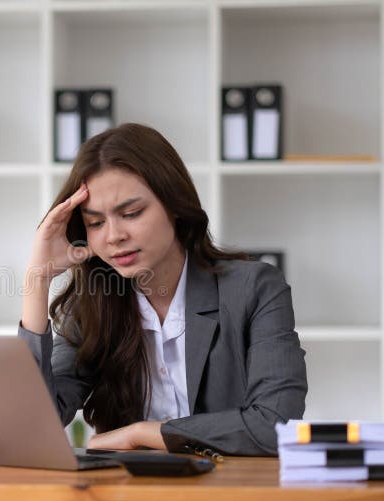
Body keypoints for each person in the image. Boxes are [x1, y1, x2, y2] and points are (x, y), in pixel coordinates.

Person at [18, 123, 307, 456]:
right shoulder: (90, 308)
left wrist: (145, 433)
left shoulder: (254, 289)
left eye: (131, 213)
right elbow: (33, 424)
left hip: (231, 497)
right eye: (96, 222)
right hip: (127, 500)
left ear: (174, 205)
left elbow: (275, 426)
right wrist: (36, 280)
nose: (113, 236)